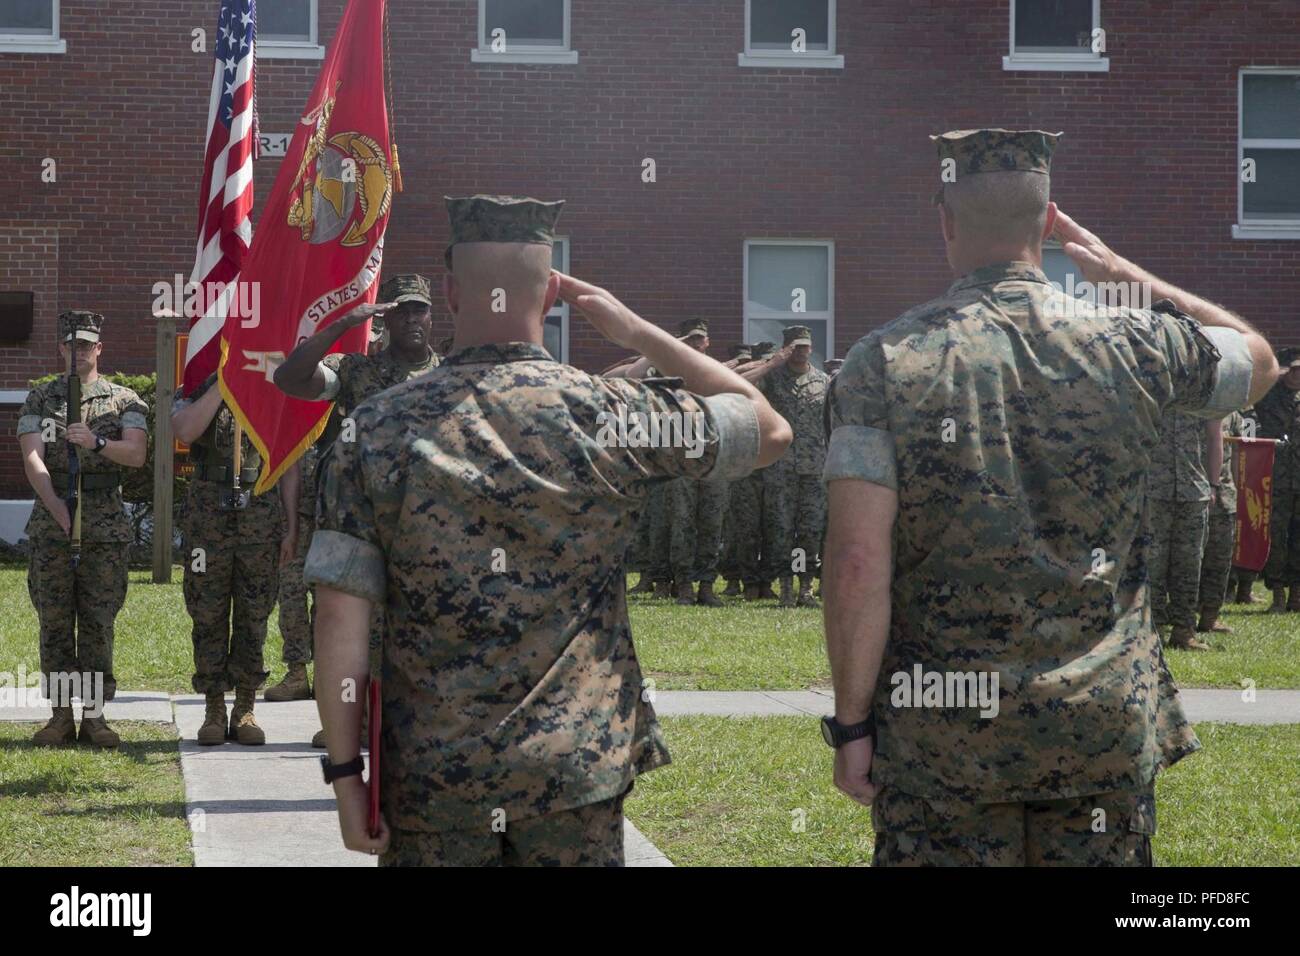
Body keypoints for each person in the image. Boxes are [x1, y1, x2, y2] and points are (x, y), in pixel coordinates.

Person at [823, 128, 1277, 867]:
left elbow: (854, 564)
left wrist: (851, 727)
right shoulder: (1136, 341)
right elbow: (1256, 361)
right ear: (1049, 222)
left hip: (945, 737)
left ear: (946, 223)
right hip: (1100, 727)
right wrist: (1123, 273)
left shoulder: (883, 363)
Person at [304, 194, 790, 864]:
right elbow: (767, 429)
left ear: (447, 293)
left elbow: (338, 617)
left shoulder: (376, 428)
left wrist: (343, 778)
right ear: (555, 292)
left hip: (433, 779)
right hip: (575, 770)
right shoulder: (610, 413)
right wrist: (639, 333)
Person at [272, 273, 441, 745]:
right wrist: (341, 324)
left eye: (419, 310)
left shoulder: (446, 375)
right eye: (401, 310)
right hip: (359, 522)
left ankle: (403, 724)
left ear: (431, 315)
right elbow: (289, 378)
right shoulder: (354, 371)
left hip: (422, 525)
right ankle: (352, 723)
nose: (411, 319)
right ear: (385, 318)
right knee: (352, 627)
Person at [18, 311, 148, 748]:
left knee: (97, 622)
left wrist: (97, 443)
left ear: (99, 349)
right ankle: (59, 716)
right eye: (69, 345)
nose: (77, 353)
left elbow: (136, 455)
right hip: (52, 524)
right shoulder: (41, 398)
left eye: (85, 345)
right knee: (54, 621)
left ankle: (94, 715)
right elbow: (32, 457)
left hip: (104, 526)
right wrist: (54, 505)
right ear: (60, 349)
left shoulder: (123, 400)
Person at [171, 369, 293, 745]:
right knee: (207, 613)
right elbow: (185, 431)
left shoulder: (273, 388)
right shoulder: (193, 387)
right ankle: (213, 707)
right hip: (207, 519)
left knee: (254, 613)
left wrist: (291, 525)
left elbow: (289, 461)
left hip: (259, 514)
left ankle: (244, 707)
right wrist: (223, 387)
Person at [743, 325, 829, 607]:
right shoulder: (771, 380)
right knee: (780, 529)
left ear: (812, 348)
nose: (801, 351)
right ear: (786, 348)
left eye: (805, 346)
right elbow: (739, 384)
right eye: (795, 346)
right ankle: (786, 587)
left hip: (814, 468)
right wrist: (771, 364)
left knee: (810, 529)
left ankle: (805, 587)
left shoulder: (824, 382)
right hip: (781, 467)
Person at [663, 319, 730, 606]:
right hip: (682, 460)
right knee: (683, 522)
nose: (695, 344)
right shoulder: (668, 373)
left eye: (699, 339)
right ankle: (684, 585)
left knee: (712, 523)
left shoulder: (719, 373)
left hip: (714, 458)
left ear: (707, 342)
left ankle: (706, 584)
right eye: (689, 340)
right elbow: (632, 373)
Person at [1147, 412, 1220, 651]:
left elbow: (1214, 436)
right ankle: (1152, 631)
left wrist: (1213, 483)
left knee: (1189, 566)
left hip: (1193, 490)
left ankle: (1184, 631)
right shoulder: (1152, 386)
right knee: (1152, 566)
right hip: (1153, 490)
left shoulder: (1200, 392)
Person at [1252, 350, 1300, 612]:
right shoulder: (1269, 396)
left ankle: (1296, 594)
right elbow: (1254, 382)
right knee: (1276, 537)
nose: (1297, 376)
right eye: (1294, 370)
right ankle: (1278, 594)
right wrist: (1277, 373)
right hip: (1277, 479)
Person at [1198, 411, 1244, 634]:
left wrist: (1238, 489)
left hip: (1224, 496)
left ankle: (1210, 617)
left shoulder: (1232, 414)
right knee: (1188, 560)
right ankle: (1179, 614)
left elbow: (1236, 454)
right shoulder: (1188, 406)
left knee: (1219, 560)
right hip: (1192, 492)